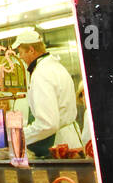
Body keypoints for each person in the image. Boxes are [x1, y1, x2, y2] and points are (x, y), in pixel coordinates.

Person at [11, 27, 81, 156]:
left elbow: (48, 124)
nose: (21, 57)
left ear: (31, 50)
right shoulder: (56, 67)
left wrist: (17, 136)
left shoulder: (41, 74)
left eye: (21, 52)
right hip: (69, 138)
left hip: (59, 146)